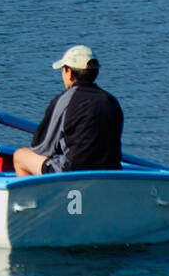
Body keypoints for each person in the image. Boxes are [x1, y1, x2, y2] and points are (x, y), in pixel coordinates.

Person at [13, 45, 122, 177]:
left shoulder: (65, 99)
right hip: (111, 171)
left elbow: (42, 147)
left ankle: (31, 197)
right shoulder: (111, 101)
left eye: (63, 70)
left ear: (69, 73)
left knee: (20, 156)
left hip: (72, 173)